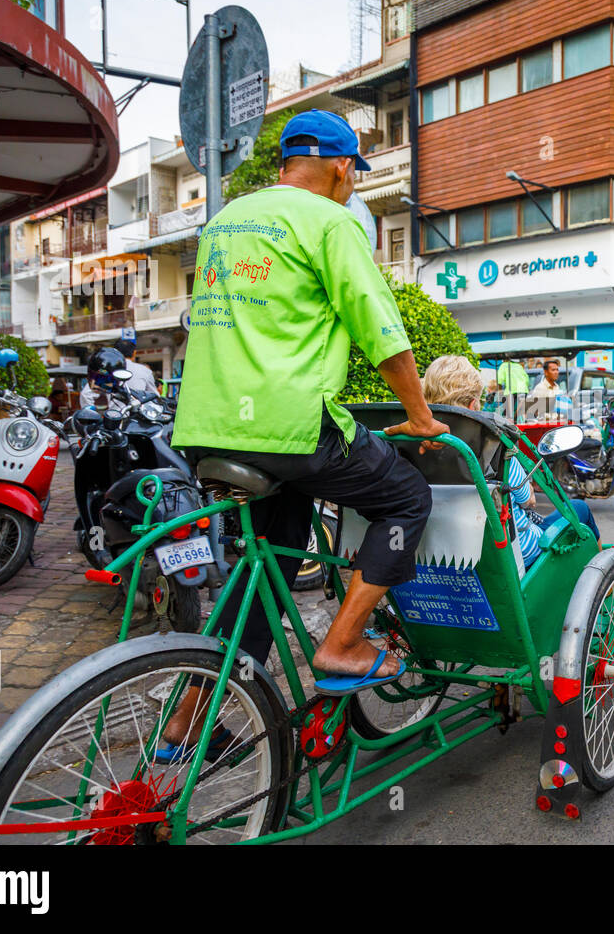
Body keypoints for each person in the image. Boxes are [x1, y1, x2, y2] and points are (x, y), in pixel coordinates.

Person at [162, 109, 449, 755]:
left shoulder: (225, 221)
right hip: (287, 426)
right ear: (345, 167)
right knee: (405, 497)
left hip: (207, 430)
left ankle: (186, 717)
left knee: (275, 557)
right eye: (354, 173)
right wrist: (422, 416)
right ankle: (343, 643)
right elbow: (381, 329)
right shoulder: (332, 220)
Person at [421, 355, 599, 567]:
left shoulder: (414, 447)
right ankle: (602, 575)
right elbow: (529, 502)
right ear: (472, 405)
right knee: (580, 508)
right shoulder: (494, 450)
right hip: (516, 554)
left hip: (439, 555)